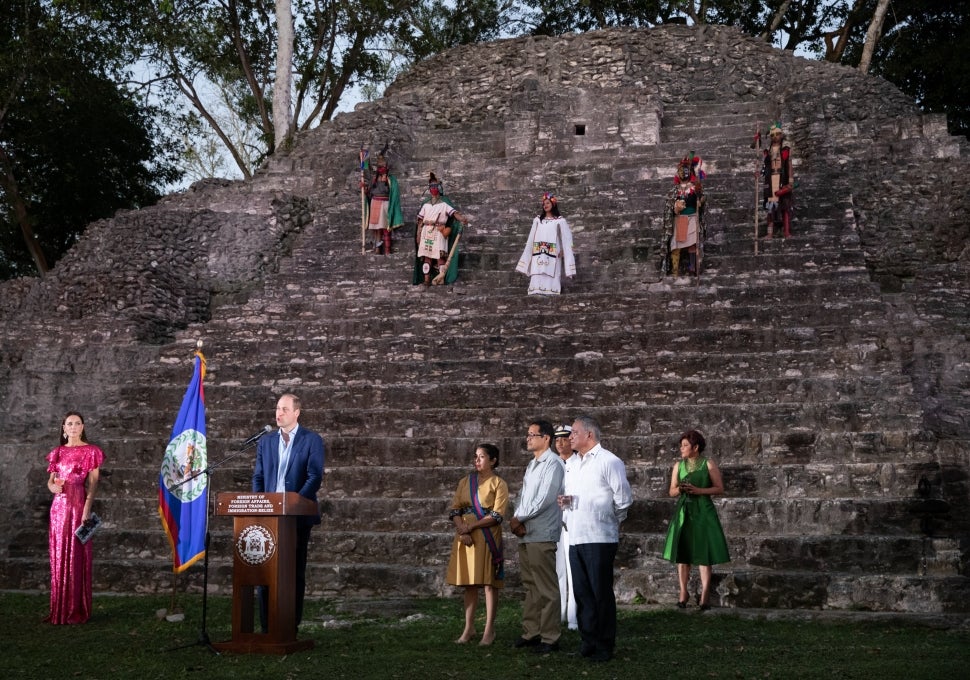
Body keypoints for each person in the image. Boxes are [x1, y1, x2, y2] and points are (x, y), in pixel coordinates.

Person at [560, 416, 633, 663]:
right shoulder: (572, 464)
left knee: (601, 592)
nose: (570, 437)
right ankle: (588, 640)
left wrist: (609, 521)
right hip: (576, 535)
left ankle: (604, 644)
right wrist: (567, 504)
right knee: (582, 592)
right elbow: (572, 495)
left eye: (574, 433)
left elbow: (623, 499)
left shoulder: (609, 461)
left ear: (589, 434)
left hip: (599, 537)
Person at [252, 393, 325, 633]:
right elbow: (259, 477)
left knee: (294, 571)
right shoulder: (266, 441)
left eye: (284, 409)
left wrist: (294, 503)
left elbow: (315, 476)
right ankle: (266, 625)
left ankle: (290, 624)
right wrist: (258, 505)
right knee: (265, 571)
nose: (278, 413)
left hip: (297, 517)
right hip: (269, 517)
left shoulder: (311, 440)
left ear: (296, 413)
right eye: (277, 408)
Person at [509, 420, 565, 654]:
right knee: (530, 584)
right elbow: (523, 496)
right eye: (528, 434)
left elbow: (545, 498)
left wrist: (519, 517)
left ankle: (550, 636)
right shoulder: (532, 465)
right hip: (526, 531)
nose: (528, 438)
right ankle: (531, 631)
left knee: (546, 586)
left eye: (533, 434)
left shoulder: (553, 464)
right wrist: (517, 517)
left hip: (541, 531)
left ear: (546, 438)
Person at [446, 443, 509, 646]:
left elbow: (497, 514)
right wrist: (462, 529)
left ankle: (489, 630)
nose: (477, 460)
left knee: (489, 583)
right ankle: (469, 628)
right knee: (469, 583)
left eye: (481, 457)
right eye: (476, 456)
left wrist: (471, 527)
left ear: (493, 460)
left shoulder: (499, 484)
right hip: (465, 537)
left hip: (487, 534)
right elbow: (455, 510)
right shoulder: (465, 481)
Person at [45, 411, 105, 624]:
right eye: (69, 423)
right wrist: (53, 487)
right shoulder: (57, 453)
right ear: (63, 428)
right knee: (59, 554)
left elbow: (93, 484)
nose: (73, 427)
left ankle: (75, 609)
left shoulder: (91, 451)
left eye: (77, 423)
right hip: (59, 507)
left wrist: (87, 509)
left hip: (79, 502)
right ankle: (59, 607)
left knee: (77, 554)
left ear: (83, 427)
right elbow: (51, 481)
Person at [662, 429, 730, 610]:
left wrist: (699, 491)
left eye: (685, 445)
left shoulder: (708, 464)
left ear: (696, 447)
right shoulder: (679, 466)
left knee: (703, 552)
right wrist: (682, 489)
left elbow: (719, 488)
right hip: (685, 511)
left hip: (704, 511)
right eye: (681, 445)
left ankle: (705, 594)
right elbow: (671, 491)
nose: (681, 449)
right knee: (682, 553)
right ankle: (683, 592)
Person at [412, 172, 469, 286]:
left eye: (435, 186)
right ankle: (427, 279)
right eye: (431, 186)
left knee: (440, 256)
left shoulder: (444, 204)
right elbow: (419, 221)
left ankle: (441, 279)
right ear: (429, 188)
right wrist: (418, 234)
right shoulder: (425, 204)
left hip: (439, 231)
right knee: (427, 256)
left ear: (439, 187)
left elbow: (454, 214)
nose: (433, 188)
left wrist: (462, 218)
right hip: (426, 231)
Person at [515, 192, 576, 295]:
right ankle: (536, 289)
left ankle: (551, 290)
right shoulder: (538, 220)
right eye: (544, 204)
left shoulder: (559, 221)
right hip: (538, 252)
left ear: (553, 204)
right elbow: (531, 238)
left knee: (552, 270)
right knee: (537, 270)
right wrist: (528, 254)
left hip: (552, 253)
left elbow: (567, 237)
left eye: (548, 203)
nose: (545, 205)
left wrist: (565, 250)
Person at [553, 424, 578, 630]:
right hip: (554, 522)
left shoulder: (579, 462)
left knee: (574, 570)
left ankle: (574, 617)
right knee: (557, 569)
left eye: (564, 439)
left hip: (573, 521)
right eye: (557, 440)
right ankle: (559, 612)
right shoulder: (553, 464)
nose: (560, 443)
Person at [362, 154, 404, 255]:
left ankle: (387, 249)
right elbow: (369, 192)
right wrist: (365, 189)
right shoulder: (374, 179)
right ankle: (377, 249)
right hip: (375, 203)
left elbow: (394, 193)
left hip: (385, 204)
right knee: (376, 228)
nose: (381, 168)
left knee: (386, 227)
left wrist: (387, 182)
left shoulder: (391, 180)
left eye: (383, 166)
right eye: (379, 166)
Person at [762, 123, 794, 239]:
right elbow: (765, 167)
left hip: (782, 178)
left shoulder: (786, 150)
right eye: (773, 135)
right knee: (770, 208)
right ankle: (770, 233)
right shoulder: (767, 151)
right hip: (770, 180)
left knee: (785, 206)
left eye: (777, 134)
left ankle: (786, 232)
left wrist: (790, 181)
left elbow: (789, 165)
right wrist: (759, 173)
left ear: (781, 135)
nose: (775, 137)